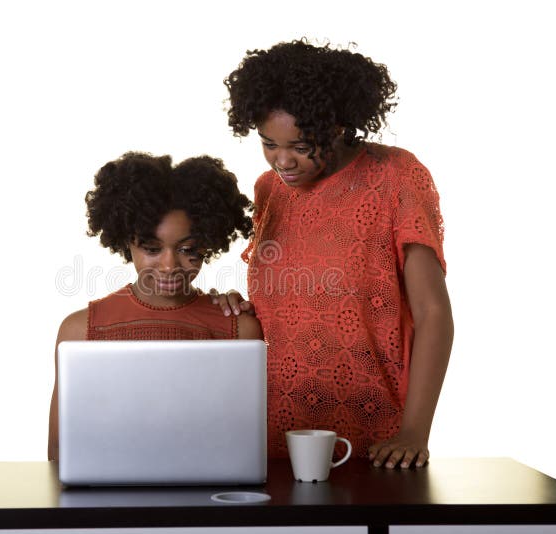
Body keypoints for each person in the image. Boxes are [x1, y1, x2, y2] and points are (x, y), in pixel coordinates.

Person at [220, 39, 453, 469]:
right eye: (269, 144)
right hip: (274, 439)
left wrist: (415, 431)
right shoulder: (269, 191)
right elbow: (292, 304)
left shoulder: (395, 177)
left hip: (375, 442)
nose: (282, 161)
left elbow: (433, 312)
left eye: (302, 146)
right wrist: (238, 309)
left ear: (338, 127)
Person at [47, 151, 263, 461]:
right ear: (125, 242)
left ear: (208, 242)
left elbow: (246, 445)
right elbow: (58, 453)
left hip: (210, 500)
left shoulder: (239, 328)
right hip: (107, 502)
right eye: (151, 248)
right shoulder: (80, 329)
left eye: (187, 249)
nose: (168, 265)